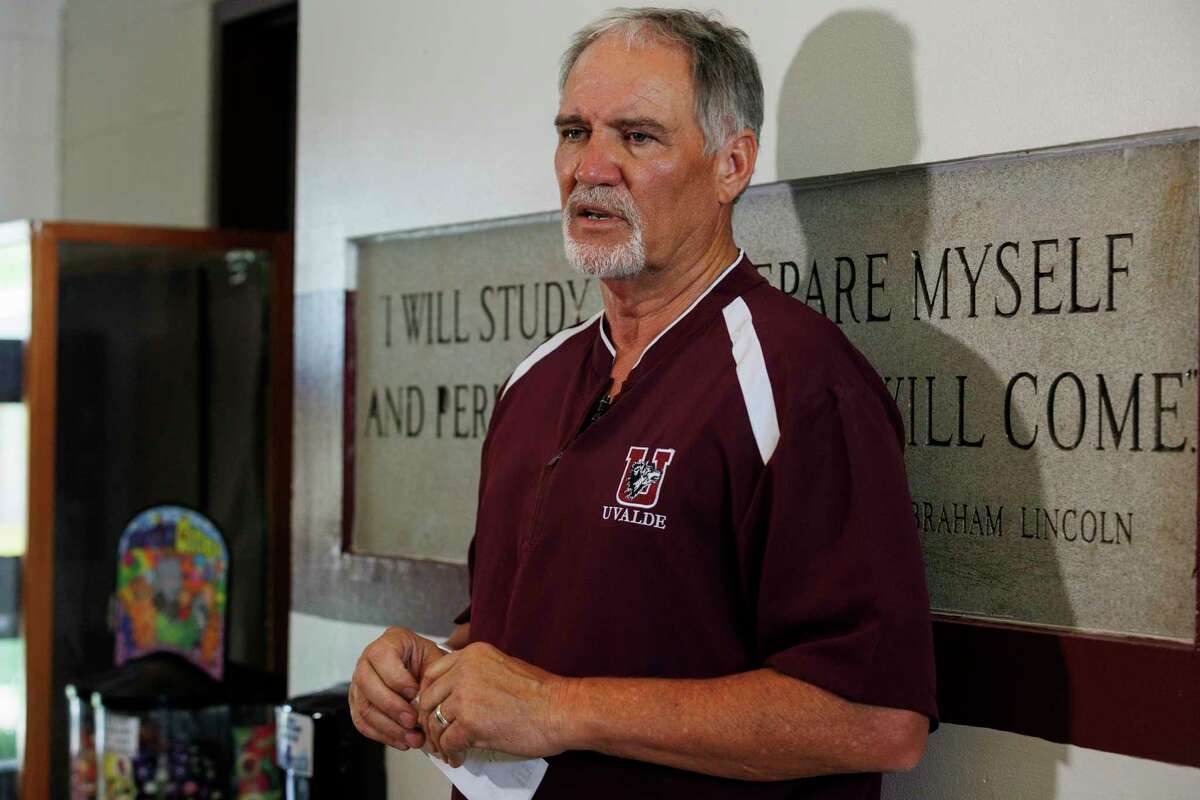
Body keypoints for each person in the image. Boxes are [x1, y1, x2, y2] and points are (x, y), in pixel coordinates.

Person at [350, 9, 936, 798]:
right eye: (572, 132)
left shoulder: (802, 384)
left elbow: (878, 719)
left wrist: (561, 710)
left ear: (731, 165)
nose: (591, 167)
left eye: (637, 137)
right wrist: (423, 672)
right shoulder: (536, 382)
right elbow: (509, 635)